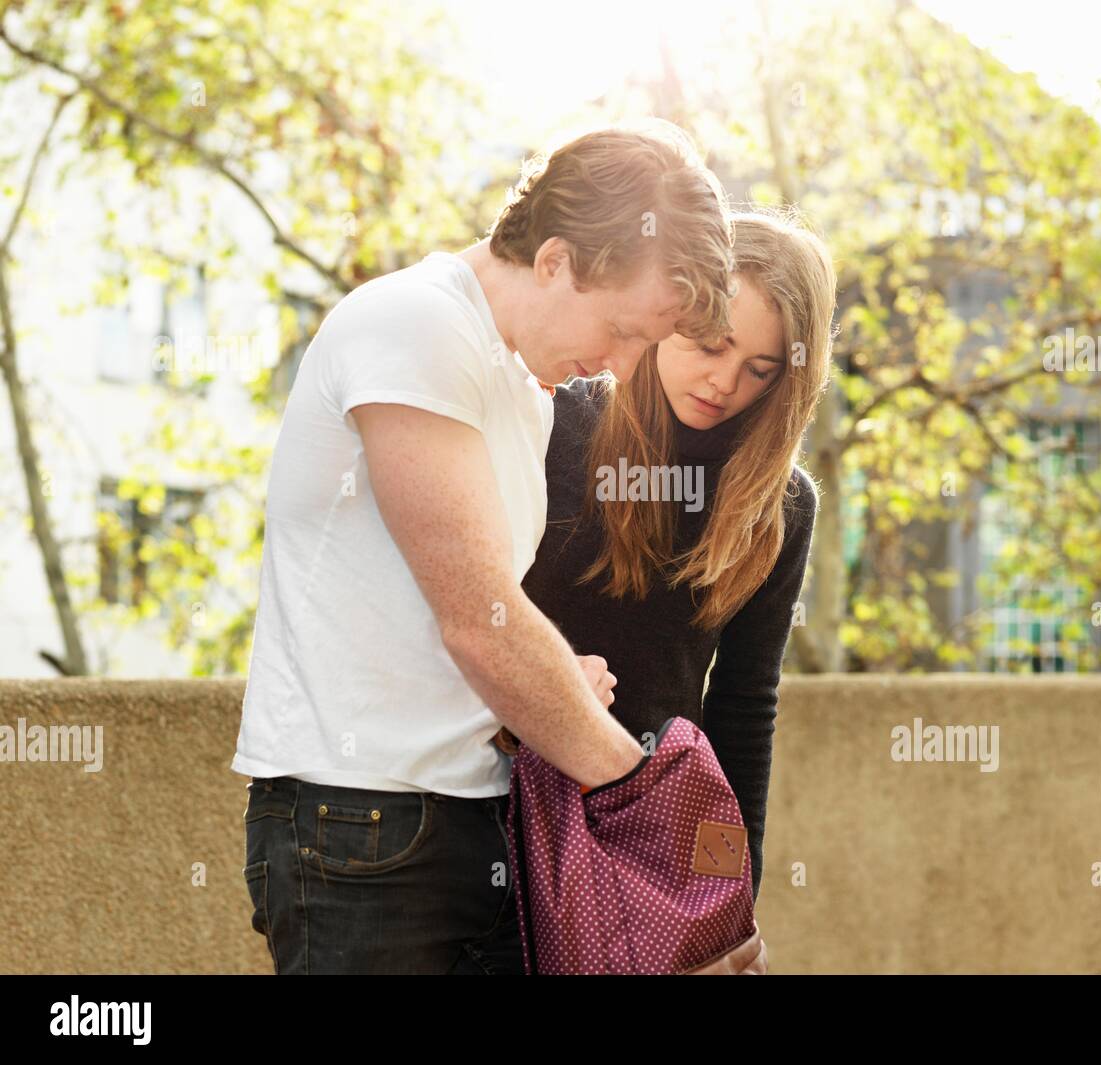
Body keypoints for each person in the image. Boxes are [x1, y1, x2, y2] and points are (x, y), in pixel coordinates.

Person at [232, 121, 735, 974]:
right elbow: (479, 625)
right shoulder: (414, 326)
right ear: (555, 261)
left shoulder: (522, 388)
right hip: (360, 829)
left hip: (476, 815)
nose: (621, 367)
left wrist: (546, 683)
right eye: (624, 329)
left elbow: (473, 610)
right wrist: (644, 807)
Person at [516, 208, 838, 971]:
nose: (725, 383)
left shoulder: (781, 508)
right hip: (503, 804)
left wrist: (732, 903)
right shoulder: (555, 421)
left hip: (651, 837)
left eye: (761, 369)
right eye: (710, 343)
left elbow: (744, 705)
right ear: (667, 313)